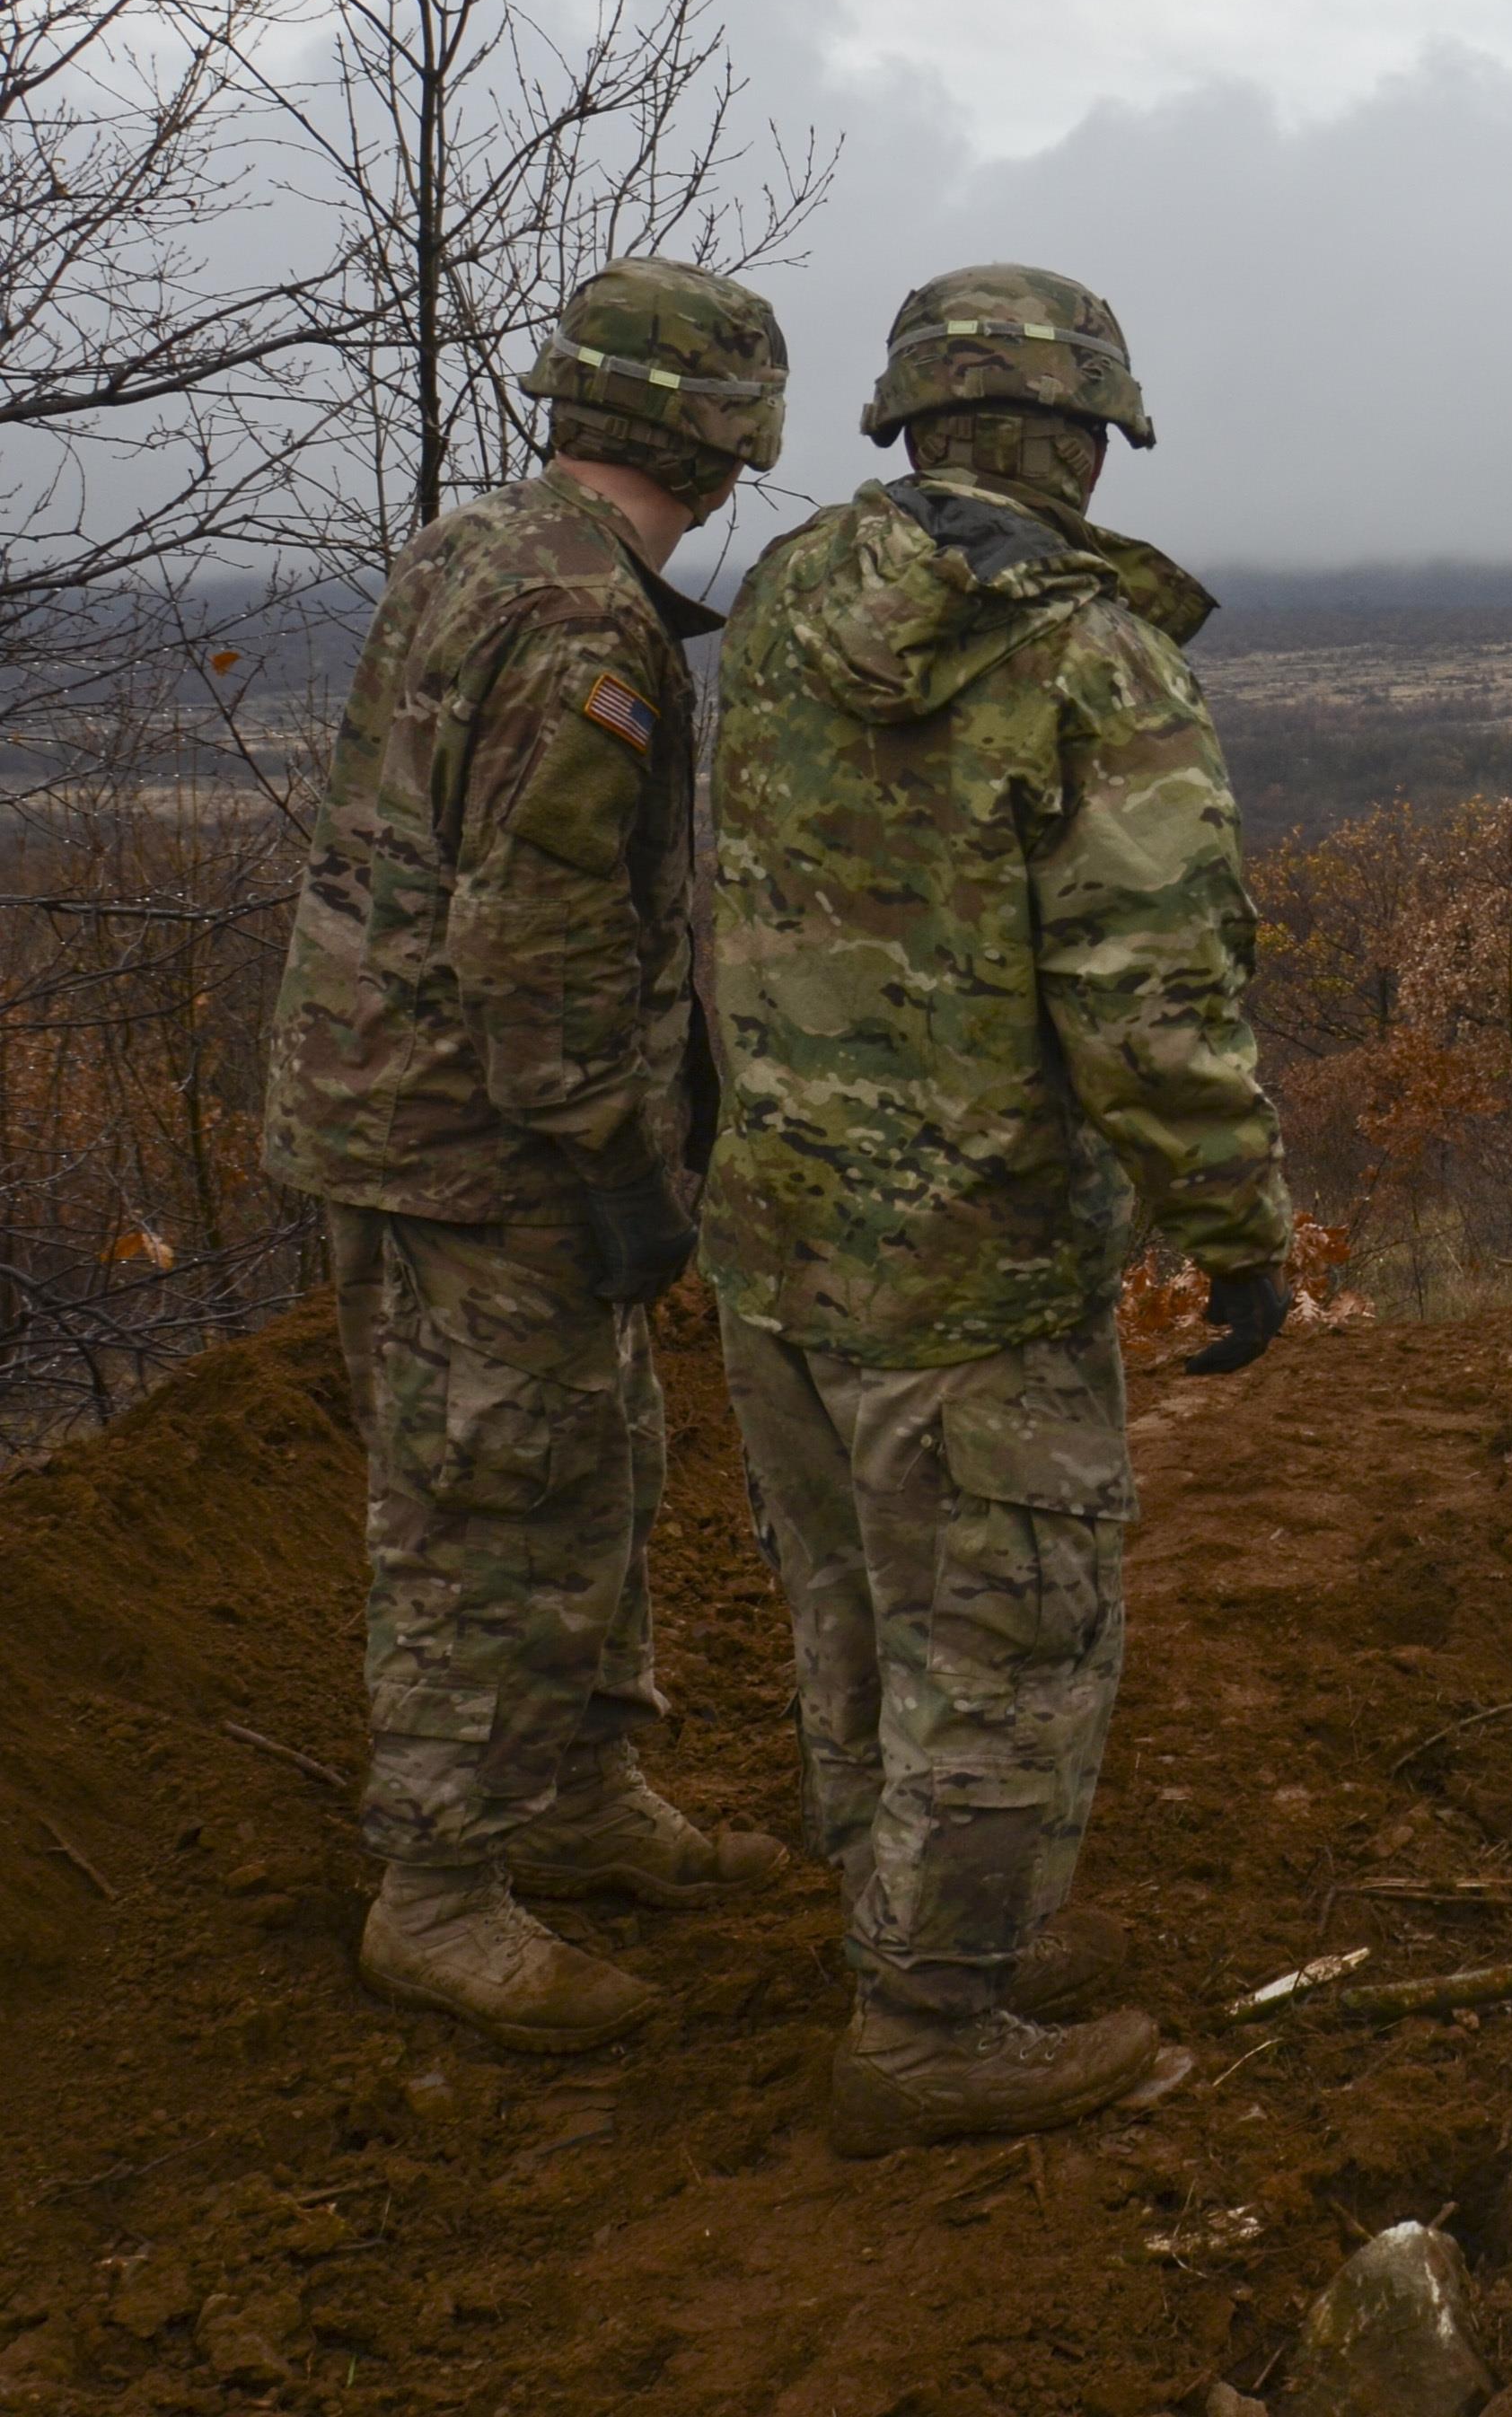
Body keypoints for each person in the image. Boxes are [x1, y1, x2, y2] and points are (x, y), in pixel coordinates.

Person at [704, 261, 1294, 2155]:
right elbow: (1152, 997)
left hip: (778, 1240)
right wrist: (1235, 1218)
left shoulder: (790, 601)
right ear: (1083, 440)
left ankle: (907, 1928)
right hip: (967, 1269)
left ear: (907, 426)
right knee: (1007, 1639)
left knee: (853, 1610)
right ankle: (934, 2022)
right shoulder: (1089, 659)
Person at [262, 257, 796, 2053]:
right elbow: (537, 927)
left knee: (593, 1462)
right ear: (720, 436)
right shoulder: (583, 625)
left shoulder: (477, 548)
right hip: (477, 1146)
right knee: (479, 1501)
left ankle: (576, 1794)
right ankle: (436, 1888)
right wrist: (615, 1162)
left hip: (445, 1119)